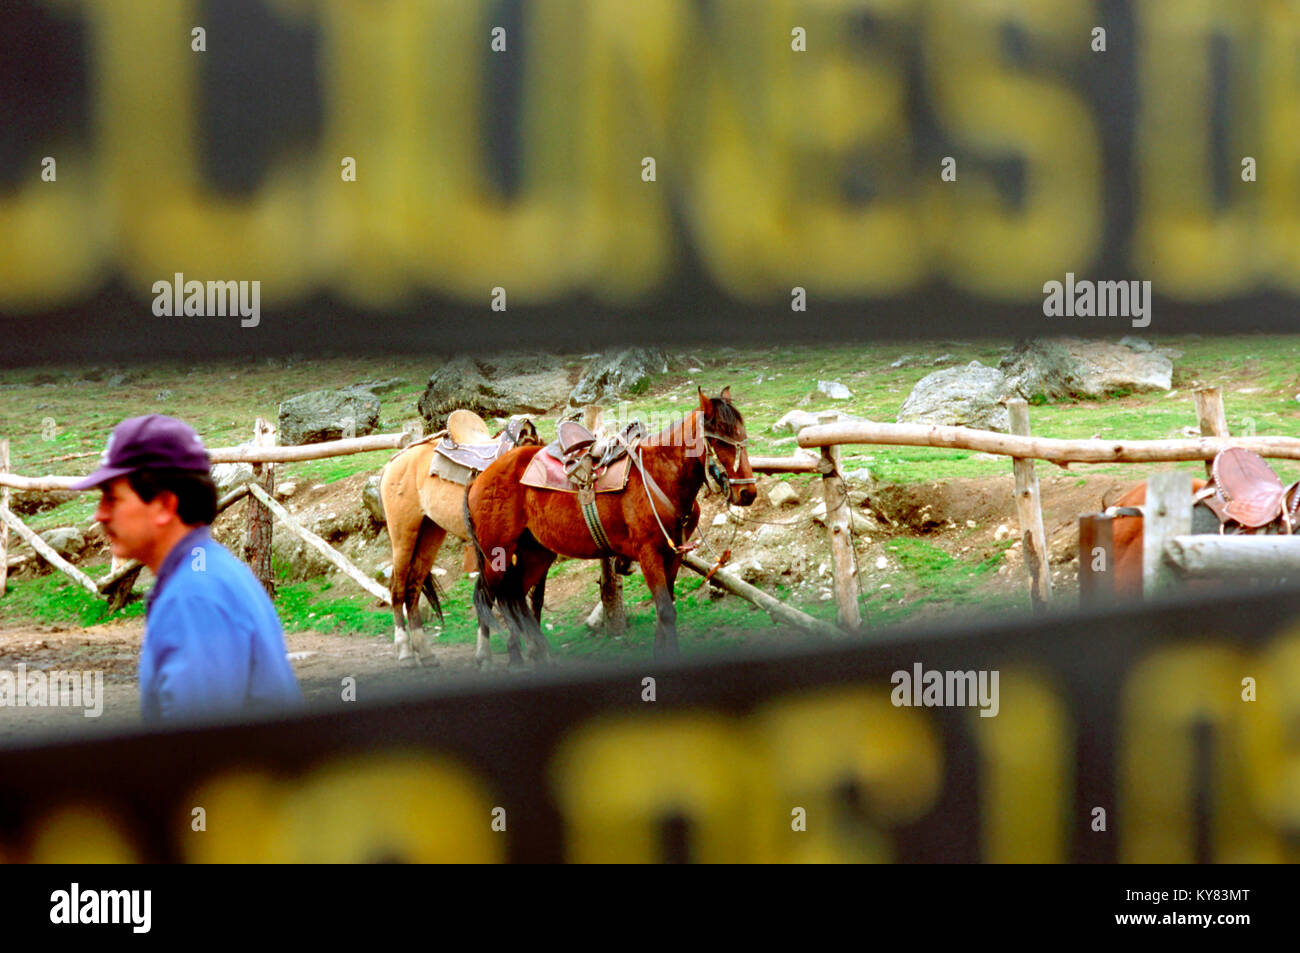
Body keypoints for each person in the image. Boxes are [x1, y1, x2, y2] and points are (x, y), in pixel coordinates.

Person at [74, 414, 301, 722]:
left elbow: (192, 758)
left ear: (165, 506)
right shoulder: (210, 570)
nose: (99, 514)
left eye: (112, 498)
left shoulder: (193, 597)